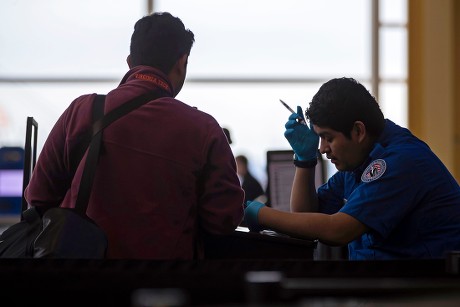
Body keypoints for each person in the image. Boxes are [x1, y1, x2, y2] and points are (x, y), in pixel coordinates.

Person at [24, 12, 244, 259]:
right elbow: (223, 220)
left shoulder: (82, 111)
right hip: (167, 285)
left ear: (130, 62)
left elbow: (38, 197)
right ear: (182, 62)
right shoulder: (204, 129)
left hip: (81, 281)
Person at [244, 77, 460, 260]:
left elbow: (338, 230)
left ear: (358, 131)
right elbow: (304, 214)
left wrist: (257, 214)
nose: (323, 148)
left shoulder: (401, 161)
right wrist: (305, 160)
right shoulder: (359, 160)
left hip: (429, 287)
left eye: (328, 138)